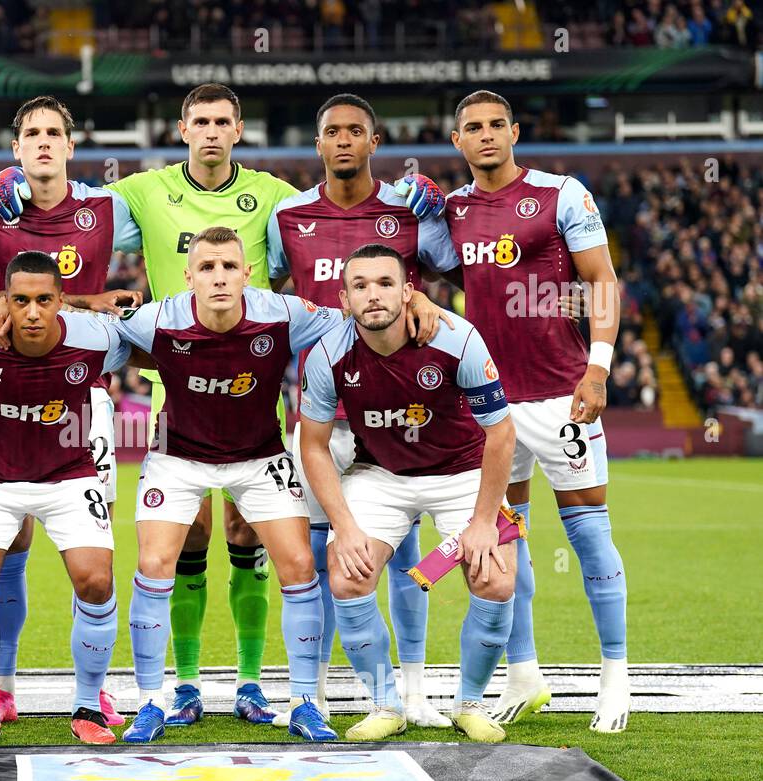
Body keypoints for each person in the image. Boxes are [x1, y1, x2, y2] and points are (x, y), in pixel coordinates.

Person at [0, 84, 300, 725]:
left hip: (254, 391)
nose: (211, 131)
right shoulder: (139, 192)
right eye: (200, 121)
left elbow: (328, 228)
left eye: (222, 122)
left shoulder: (272, 195)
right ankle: (182, 686)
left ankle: (248, 683)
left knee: (247, 533)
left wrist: (408, 203)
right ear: (182, 128)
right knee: (191, 535)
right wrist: (7, 176)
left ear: (238, 130)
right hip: (174, 389)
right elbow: (60, 199)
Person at [115, 226, 361, 743]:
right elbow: (101, 336)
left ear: (248, 273)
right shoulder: (158, 319)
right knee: (154, 564)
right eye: (207, 268)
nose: (219, 277)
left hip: (258, 457)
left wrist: (424, 303)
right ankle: (154, 701)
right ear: (188, 278)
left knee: (297, 566)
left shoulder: (285, 313)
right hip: (178, 457)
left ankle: (302, 702)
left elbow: (355, 317)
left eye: (229, 266)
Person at [268, 92, 461, 727]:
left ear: (374, 142)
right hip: (323, 415)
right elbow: (270, 301)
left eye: (356, 131)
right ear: (318, 144)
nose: (344, 140)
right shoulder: (289, 216)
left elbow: (455, 277)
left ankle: (412, 691)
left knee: (407, 560)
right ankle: (315, 693)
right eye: (332, 132)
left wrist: (431, 303)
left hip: (401, 411)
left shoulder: (408, 211)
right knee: (326, 552)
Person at [444, 90, 630, 733]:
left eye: (498, 125)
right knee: (505, 542)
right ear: (457, 140)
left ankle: (615, 679)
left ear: (516, 131)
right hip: (491, 404)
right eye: (474, 127)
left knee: (589, 534)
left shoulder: (562, 195)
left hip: (562, 396)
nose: (487, 135)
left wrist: (598, 366)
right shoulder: (453, 211)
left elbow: (602, 281)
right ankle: (524, 677)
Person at [0, 95, 141, 725]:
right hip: (4, 390)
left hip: (80, 395)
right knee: (7, 547)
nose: (41, 143)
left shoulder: (110, 206)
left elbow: (181, 233)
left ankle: (95, 688)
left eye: (52, 133)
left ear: (70, 144)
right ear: (15, 148)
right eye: (29, 133)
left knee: (91, 562)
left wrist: (92, 301)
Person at [300, 243, 517, 742]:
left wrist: (484, 523)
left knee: (496, 579)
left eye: (384, 283)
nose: (373, 295)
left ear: (407, 291)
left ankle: (469, 705)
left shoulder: (457, 339)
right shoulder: (329, 355)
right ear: (344, 298)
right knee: (348, 576)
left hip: (461, 472)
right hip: (380, 473)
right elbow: (314, 446)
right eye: (360, 286)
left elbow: (501, 433)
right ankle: (385, 706)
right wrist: (345, 526)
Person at [0, 251, 135, 746]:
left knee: (96, 580)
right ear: (4, 300)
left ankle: (89, 704)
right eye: (20, 300)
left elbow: (156, 346)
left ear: (61, 302)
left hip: (70, 475)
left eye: (43, 300)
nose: (31, 312)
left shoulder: (96, 338)